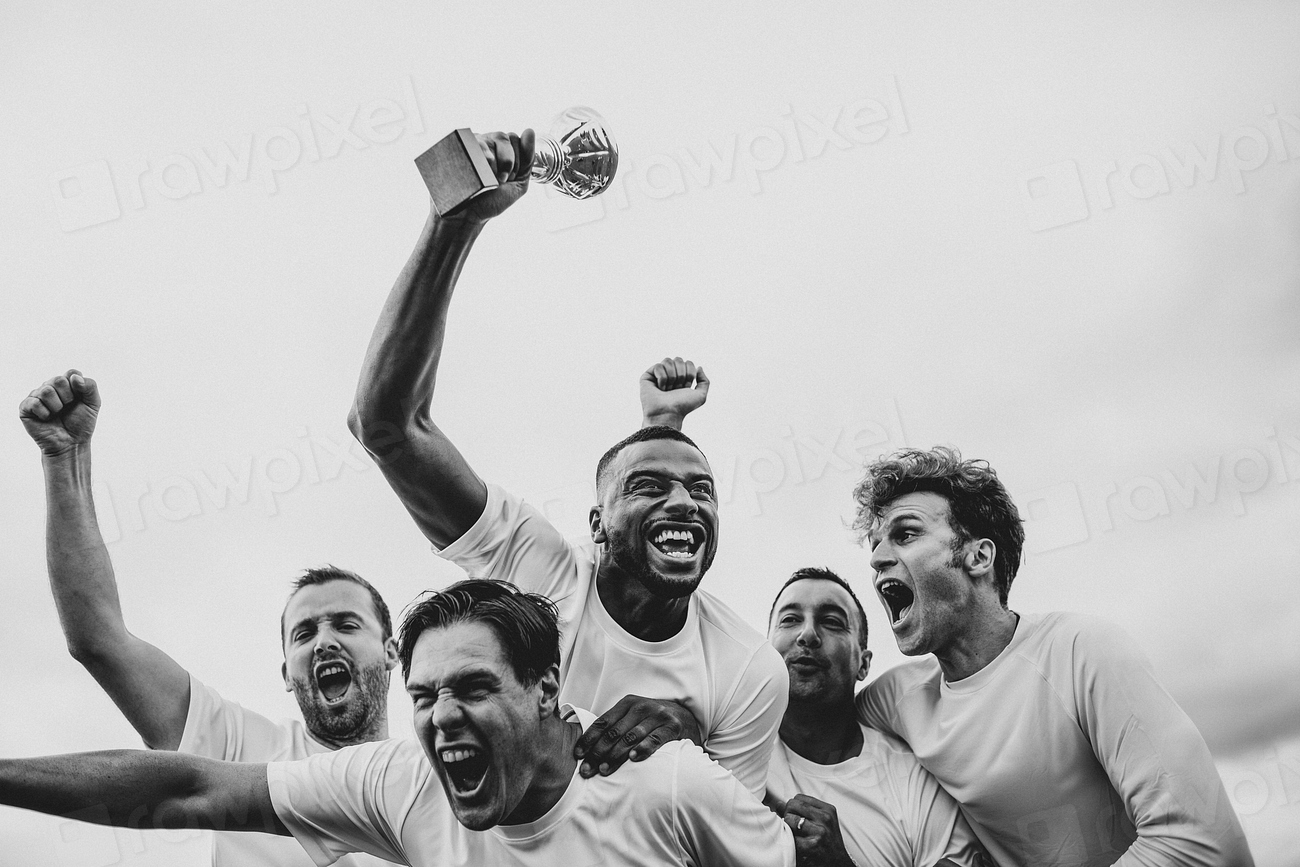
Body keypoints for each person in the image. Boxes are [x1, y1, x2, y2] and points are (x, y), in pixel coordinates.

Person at [347, 127, 787, 795]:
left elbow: (732, 841)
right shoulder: (542, 573)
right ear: (595, 525)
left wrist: (687, 748)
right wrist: (455, 222)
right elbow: (387, 423)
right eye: (650, 486)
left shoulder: (748, 668)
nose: (686, 502)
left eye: (704, 490)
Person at [0, 580, 797, 867]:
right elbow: (191, 789)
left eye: (475, 688)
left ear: (548, 686)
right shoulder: (400, 782)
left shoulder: (671, 783)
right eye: (426, 695)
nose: (444, 716)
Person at [18, 370, 402, 867]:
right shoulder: (241, 747)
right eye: (303, 634)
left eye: (346, 625)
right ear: (287, 673)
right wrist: (63, 457)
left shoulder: (437, 788)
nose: (323, 642)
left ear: (393, 651)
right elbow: (99, 639)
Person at [852, 446, 1254, 866]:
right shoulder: (895, 701)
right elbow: (811, 728)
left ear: (978, 556)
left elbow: (1201, 842)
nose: (878, 559)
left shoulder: (1082, 651)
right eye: (876, 545)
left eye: (906, 534)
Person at [766, 567, 991, 867]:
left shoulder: (912, 777)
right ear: (764, 651)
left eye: (831, 622)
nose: (807, 634)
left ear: (863, 663)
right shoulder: (727, 747)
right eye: (790, 620)